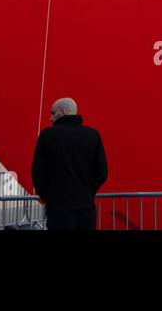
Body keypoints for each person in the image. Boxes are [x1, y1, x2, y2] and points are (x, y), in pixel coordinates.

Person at [31, 97, 108, 231]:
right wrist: (88, 192)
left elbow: (38, 172)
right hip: (86, 210)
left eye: (53, 113)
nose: (50, 118)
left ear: (62, 112)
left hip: (58, 211)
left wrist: (48, 197)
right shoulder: (93, 135)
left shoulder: (47, 136)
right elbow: (102, 172)